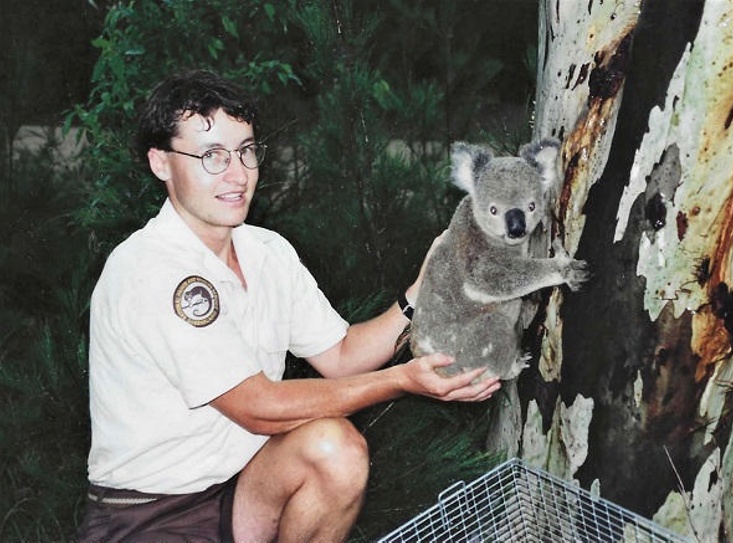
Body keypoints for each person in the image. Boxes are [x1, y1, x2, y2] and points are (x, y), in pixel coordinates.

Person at [77, 69, 501, 543]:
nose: (237, 174)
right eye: (212, 156)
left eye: (245, 150)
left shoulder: (266, 251)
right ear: (161, 163)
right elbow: (257, 407)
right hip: (147, 514)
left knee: (333, 448)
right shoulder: (150, 268)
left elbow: (341, 356)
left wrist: (424, 289)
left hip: (243, 488)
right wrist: (401, 382)